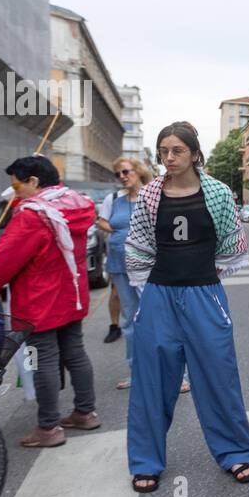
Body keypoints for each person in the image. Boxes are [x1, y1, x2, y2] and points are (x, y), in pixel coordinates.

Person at [124, 121, 249, 495]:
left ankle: (235, 452)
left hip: (204, 293)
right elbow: (138, 245)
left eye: (177, 150)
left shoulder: (217, 193)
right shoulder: (150, 194)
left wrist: (205, 273)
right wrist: (150, 290)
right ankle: (146, 461)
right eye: (163, 151)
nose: (169, 157)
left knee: (218, 373)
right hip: (159, 294)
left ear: (195, 153)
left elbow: (232, 243)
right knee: (152, 379)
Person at [0, 156, 99, 447]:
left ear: (33, 181)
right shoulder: (74, 204)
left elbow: (3, 262)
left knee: (44, 362)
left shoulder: (33, 215)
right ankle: (85, 412)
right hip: (72, 295)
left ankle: (49, 428)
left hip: (40, 300)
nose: (14, 191)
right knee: (75, 353)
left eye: (17, 184)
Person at [95, 157, 151, 389]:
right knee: (129, 320)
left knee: (157, 318)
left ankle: (176, 374)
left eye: (126, 172)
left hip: (148, 265)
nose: (122, 177)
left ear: (138, 172)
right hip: (119, 263)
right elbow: (102, 221)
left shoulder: (152, 196)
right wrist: (118, 231)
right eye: (118, 174)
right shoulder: (114, 199)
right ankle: (136, 371)